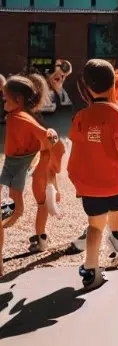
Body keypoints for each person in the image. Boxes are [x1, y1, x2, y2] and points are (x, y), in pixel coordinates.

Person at [68, 59, 118, 289]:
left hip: (90, 185)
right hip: (116, 183)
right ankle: (116, 237)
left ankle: (90, 269)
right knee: (116, 218)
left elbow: (79, 147)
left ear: (87, 88)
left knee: (94, 226)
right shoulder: (117, 114)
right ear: (114, 85)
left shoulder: (81, 116)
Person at [1, 74, 59, 275]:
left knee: (20, 206)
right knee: (25, 204)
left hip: (23, 165)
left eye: (5, 98)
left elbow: (48, 137)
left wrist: (51, 136)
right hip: (21, 164)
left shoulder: (19, 117)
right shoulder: (18, 114)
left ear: (18, 100)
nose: (3, 101)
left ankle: (14, 222)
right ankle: (35, 235)